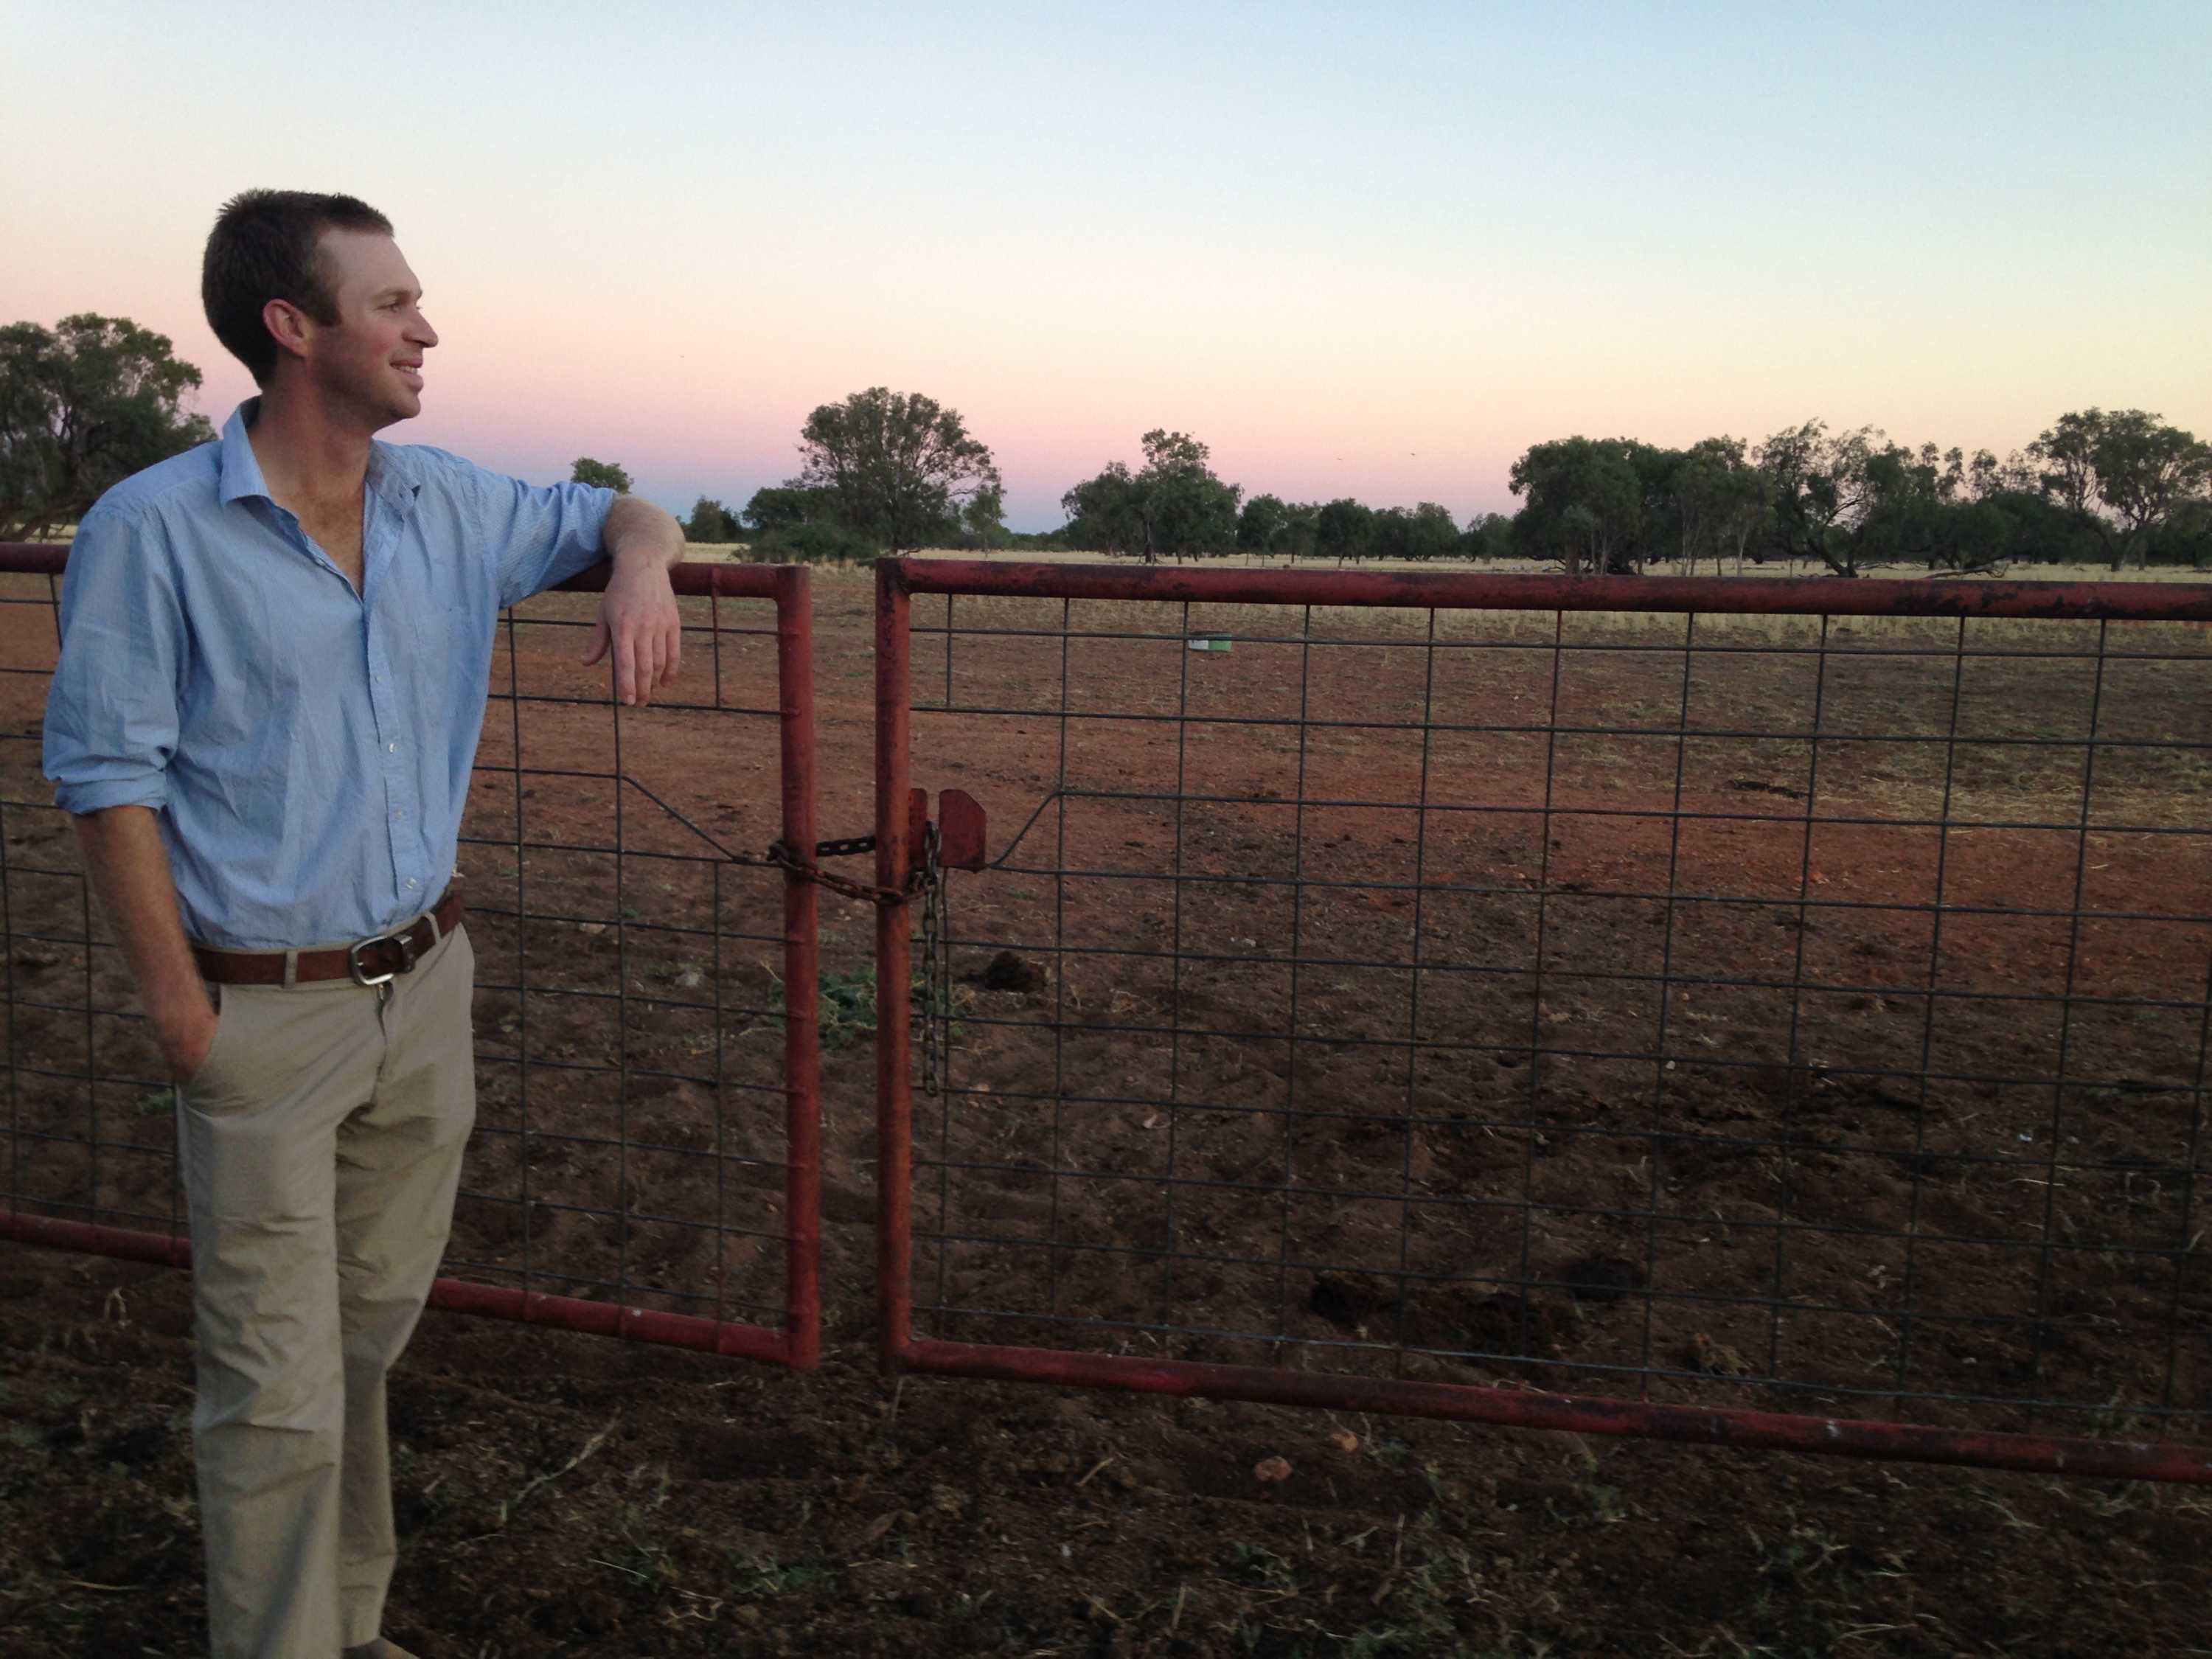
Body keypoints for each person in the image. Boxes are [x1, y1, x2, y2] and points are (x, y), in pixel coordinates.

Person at [42, 189, 686, 1659]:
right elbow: (106, 777)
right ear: (294, 326)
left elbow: (621, 510)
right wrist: (184, 1017)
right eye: (392, 302)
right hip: (259, 1015)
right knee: (273, 1383)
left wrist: (643, 560)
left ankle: (341, 1623)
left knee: (357, 1342)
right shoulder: (152, 530)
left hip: (424, 994)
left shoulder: (447, 504)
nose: (425, 328)